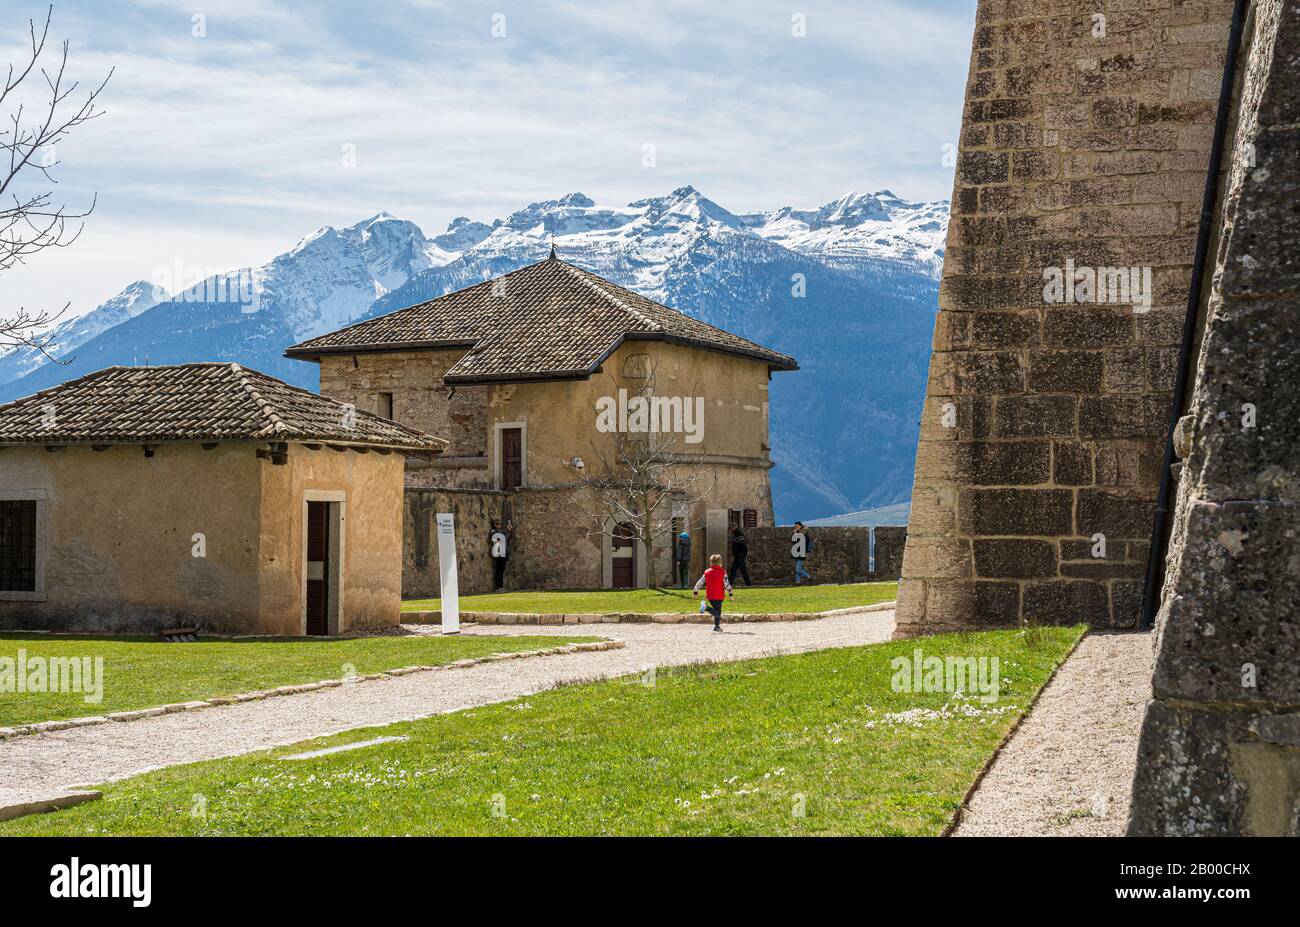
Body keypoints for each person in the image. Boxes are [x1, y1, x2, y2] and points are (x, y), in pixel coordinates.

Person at [692, 553, 733, 632]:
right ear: (720, 563)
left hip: (710, 596)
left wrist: (695, 591)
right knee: (718, 613)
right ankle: (706, 607)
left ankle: (717, 626)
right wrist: (730, 593)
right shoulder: (722, 572)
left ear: (711, 563)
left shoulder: (707, 572)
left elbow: (700, 582)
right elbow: (726, 583)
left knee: (717, 612)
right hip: (719, 596)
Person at [488, 518, 513, 590]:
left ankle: (501, 586)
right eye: (498, 524)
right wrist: (508, 531)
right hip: (498, 552)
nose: (500, 525)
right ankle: (498, 587)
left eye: (500, 523)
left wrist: (508, 531)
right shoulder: (494, 532)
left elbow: (506, 538)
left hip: (503, 552)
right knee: (499, 570)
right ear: (494, 525)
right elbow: (502, 539)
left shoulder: (501, 531)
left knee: (502, 570)